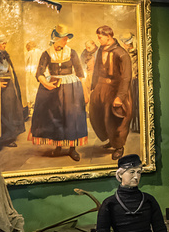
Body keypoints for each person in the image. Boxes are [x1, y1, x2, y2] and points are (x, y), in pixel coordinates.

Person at [29, 25, 87, 161]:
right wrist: (46, 84)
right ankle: (58, 146)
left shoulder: (72, 52)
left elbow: (79, 73)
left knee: (72, 117)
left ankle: (73, 148)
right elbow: (39, 73)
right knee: (55, 117)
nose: (66, 42)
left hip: (71, 88)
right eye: (63, 39)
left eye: (66, 39)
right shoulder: (46, 53)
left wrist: (84, 92)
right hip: (53, 88)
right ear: (56, 39)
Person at [89, 25, 133, 161]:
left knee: (115, 119)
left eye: (100, 37)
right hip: (101, 88)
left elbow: (126, 77)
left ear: (108, 36)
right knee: (99, 116)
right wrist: (93, 87)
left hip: (116, 90)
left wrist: (120, 96)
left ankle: (119, 146)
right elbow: (96, 70)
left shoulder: (121, 53)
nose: (98, 40)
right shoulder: (101, 50)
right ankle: (110, 140)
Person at [22, 39, 43, 114]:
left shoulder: (30, 53)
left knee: (31, 89)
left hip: (31, 73)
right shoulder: (40, 52)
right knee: (37, 88)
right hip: (39, 73)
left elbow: (24, 62)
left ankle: (32, 106)